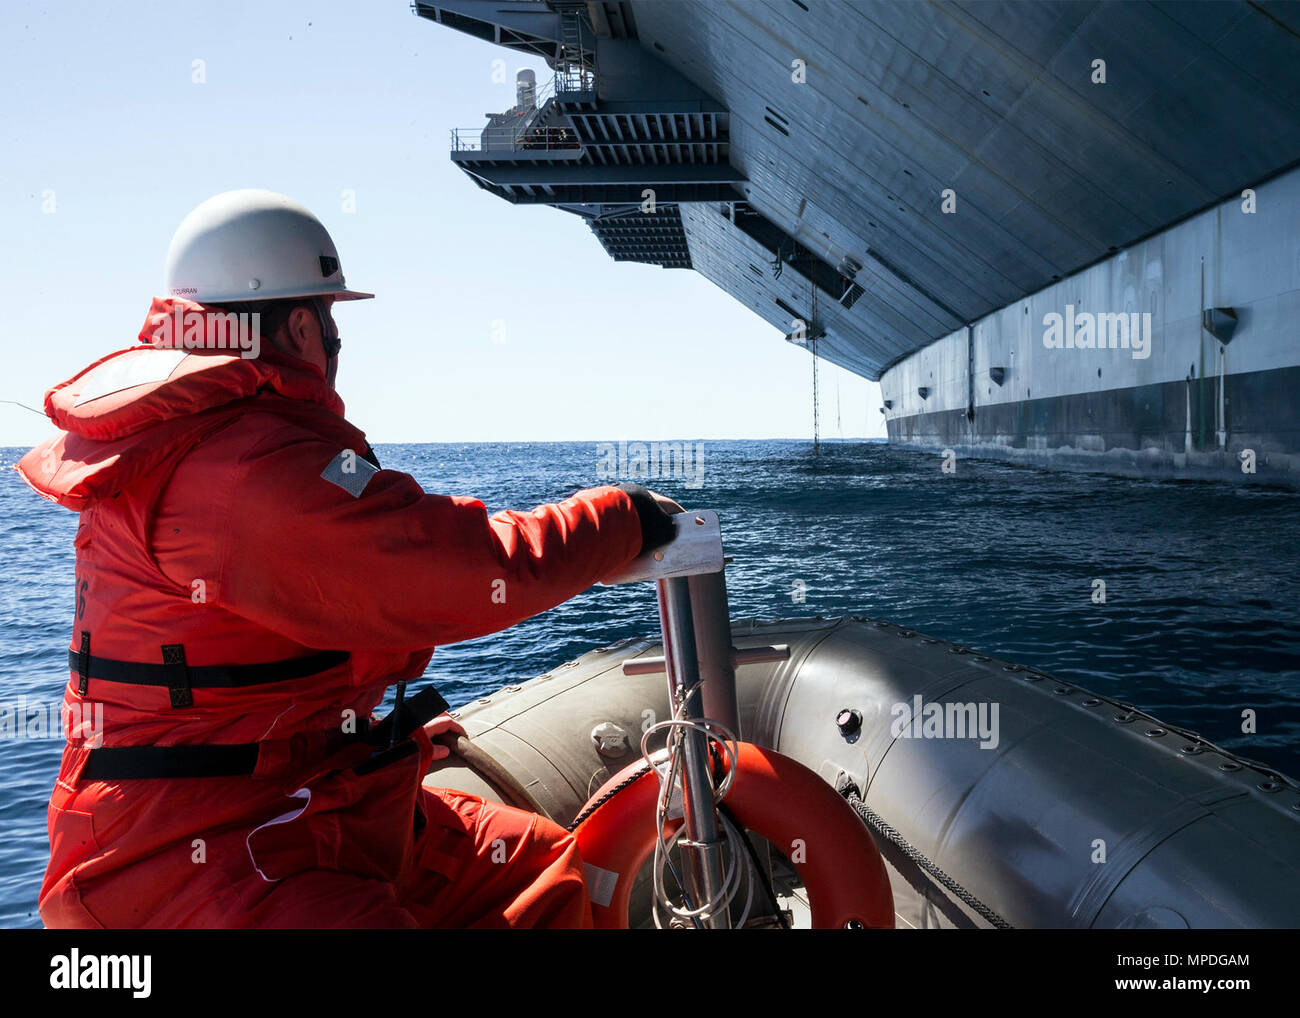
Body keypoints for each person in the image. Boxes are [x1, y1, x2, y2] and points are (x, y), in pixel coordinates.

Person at [17, 189, 683, 929]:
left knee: (534, 865)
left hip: (298, 796)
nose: (336, 340)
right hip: (193, 850)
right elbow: (470, 573)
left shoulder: (201, 441)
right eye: (331, 318)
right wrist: (626, 517)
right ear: (302, 326)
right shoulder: (245, 473)